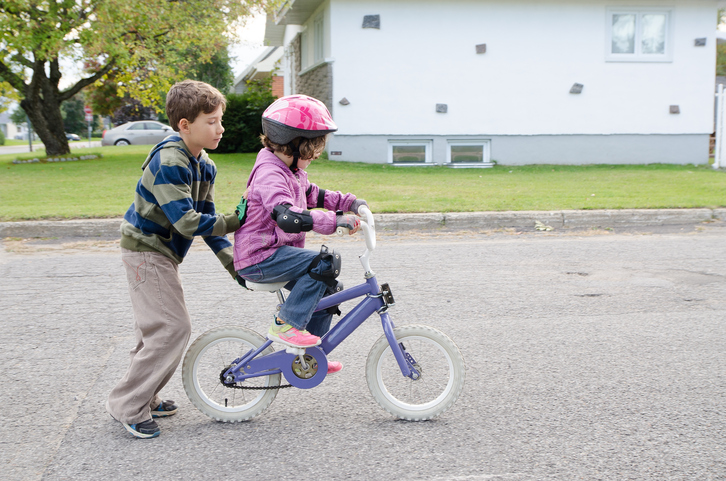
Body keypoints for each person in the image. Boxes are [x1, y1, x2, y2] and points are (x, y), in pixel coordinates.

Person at [106, 80, 244, 439]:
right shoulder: (170, 160)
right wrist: (238, 218)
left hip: (160, 253)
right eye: (211, 121)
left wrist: (235, 265)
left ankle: (145, 396)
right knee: (172, 327)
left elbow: (209, 220)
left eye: (220, 119)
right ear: (185, 125)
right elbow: (187, 221)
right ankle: (128, 405)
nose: (220, 127)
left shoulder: (204, 163)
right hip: (145, 250)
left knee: (154, 330)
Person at [233, 95, 367, 374]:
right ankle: (286, 323)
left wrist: (351, 203)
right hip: (260, 256)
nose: (316, 156)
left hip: (274, 252)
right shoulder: (270, 174)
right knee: (326, 261)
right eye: (314, 149)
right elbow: (289, 217)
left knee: (330, 289)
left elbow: (315, 194)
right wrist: (336, 221)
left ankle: (308, 356)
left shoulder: (291, 171)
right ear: (297, 144)